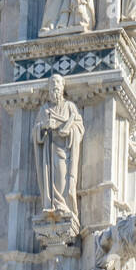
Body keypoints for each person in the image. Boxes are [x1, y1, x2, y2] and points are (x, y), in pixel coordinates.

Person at [32, 75, 84, 223]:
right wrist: (43, 126)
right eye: (51, 88)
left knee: (62, 178)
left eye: (57, 88)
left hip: (64, 151)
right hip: (48, 152)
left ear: (62, 89)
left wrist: (69, 130)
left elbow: (79, 127)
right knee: (50, 178)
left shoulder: (69, 107)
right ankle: (51, 206)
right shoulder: (44, 109)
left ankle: (63, 206)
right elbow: (35, 132)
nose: (54, 92)